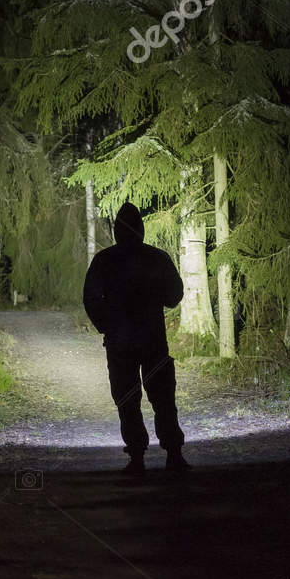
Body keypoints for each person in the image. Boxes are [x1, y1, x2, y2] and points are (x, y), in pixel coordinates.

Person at [82, 202, 189, 473]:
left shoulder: (105, 260)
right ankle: (174, 453)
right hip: (153, 339)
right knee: (163, 398)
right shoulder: (157, 258)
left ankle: (137, 457)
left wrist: (106, 325)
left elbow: (91, 298)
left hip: (120, 342)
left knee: (127, 399)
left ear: (117, 230)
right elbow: (175, 296)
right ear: (141, 229)